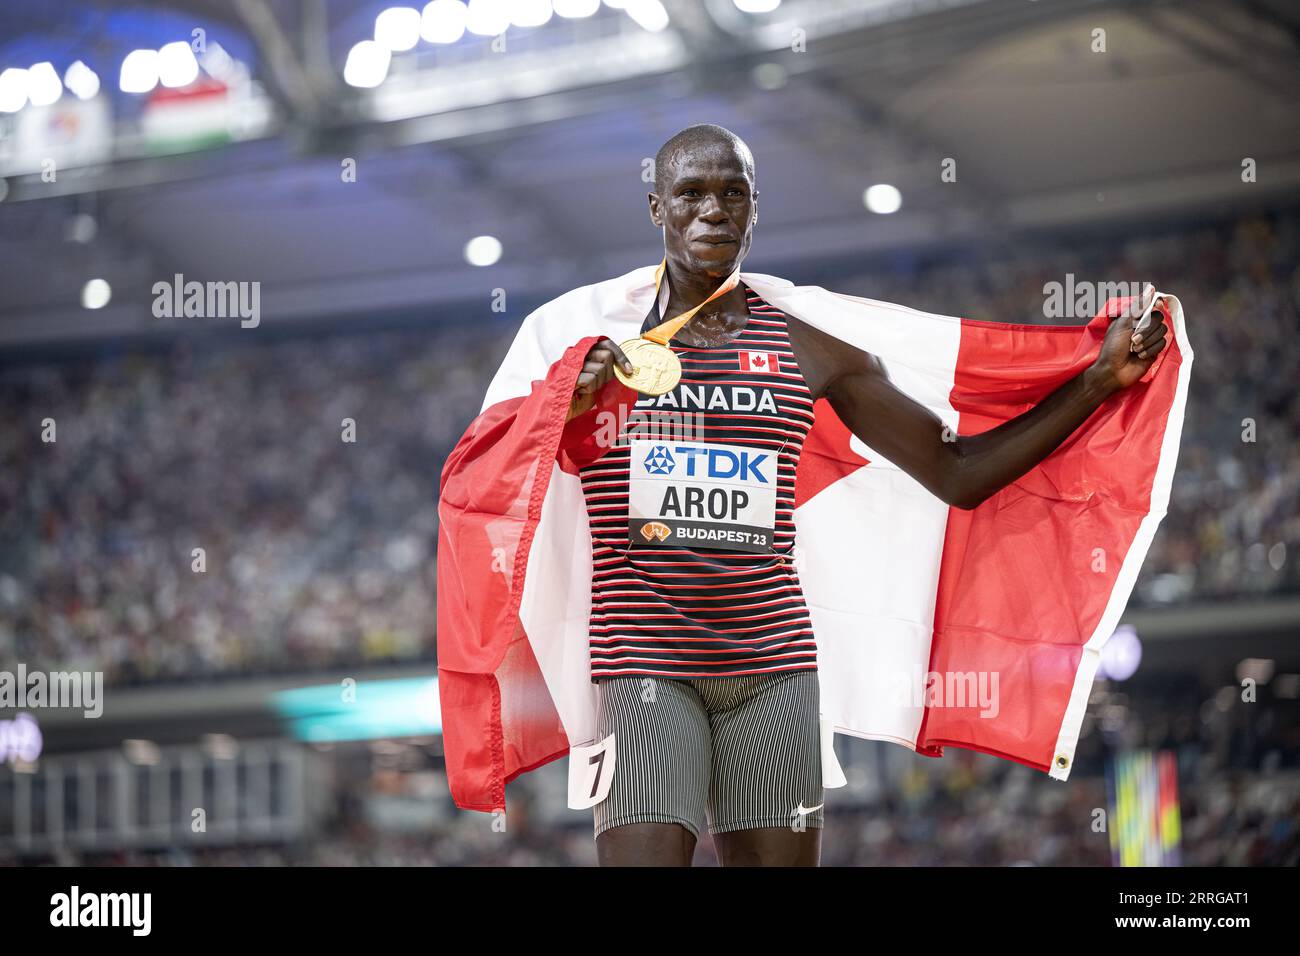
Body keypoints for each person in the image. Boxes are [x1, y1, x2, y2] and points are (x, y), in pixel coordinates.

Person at [562, 124, 1169, 866]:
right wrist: (564, 404)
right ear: (656, 209)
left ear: (757, 211)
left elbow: (958, 473)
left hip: (772, 670)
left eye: (733, 194)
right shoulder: (591, 352)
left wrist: (1097, 383)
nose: (713, 211)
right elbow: (505, 471)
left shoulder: (811, 350)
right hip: (644, 663)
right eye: (691, 194)